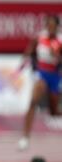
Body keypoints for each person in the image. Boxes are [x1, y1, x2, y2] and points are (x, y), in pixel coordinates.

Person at [17, 14, 62, 150]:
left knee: (53, 112)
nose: (50, 28)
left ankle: (54, 112)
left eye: (53, 26)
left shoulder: (60, 41)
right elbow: (29, 51)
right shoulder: (39, 38)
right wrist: (23, 63)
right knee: (33, 102)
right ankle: (25, 137)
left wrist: (57, 56)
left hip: (55, 76)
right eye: (48, 25)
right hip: (42, 73)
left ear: (57, 27)